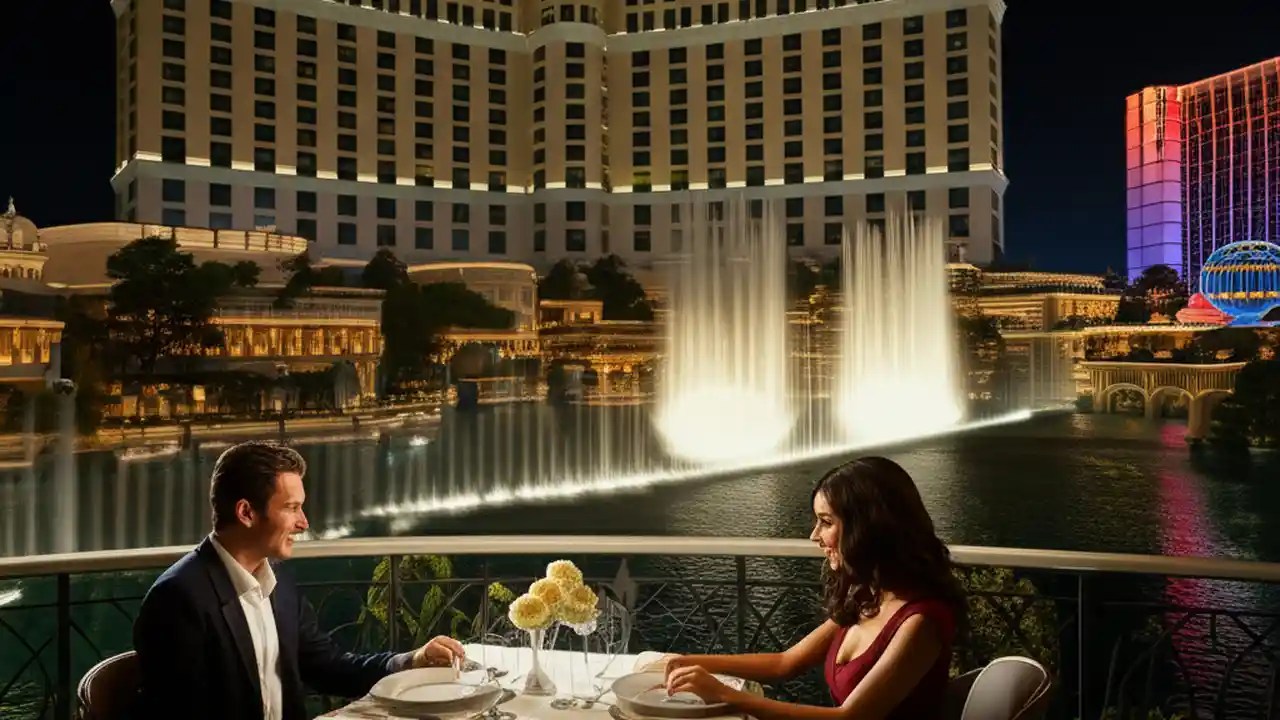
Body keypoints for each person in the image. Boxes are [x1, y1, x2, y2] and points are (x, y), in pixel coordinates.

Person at [133, 441, 465, 720]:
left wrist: (412, 659)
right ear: (246, 513)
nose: (304, 523)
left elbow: (329, 666)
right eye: (292, 508)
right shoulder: (177, 599)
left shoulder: (279, 584)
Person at [661, 456, 965, 720]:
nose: (814, 535)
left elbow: (851, 718)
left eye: (826, 522)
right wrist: (686, 661)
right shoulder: (868, 597)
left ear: (869, 527)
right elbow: (785, 663)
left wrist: (726, 694)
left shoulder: (921, 621)